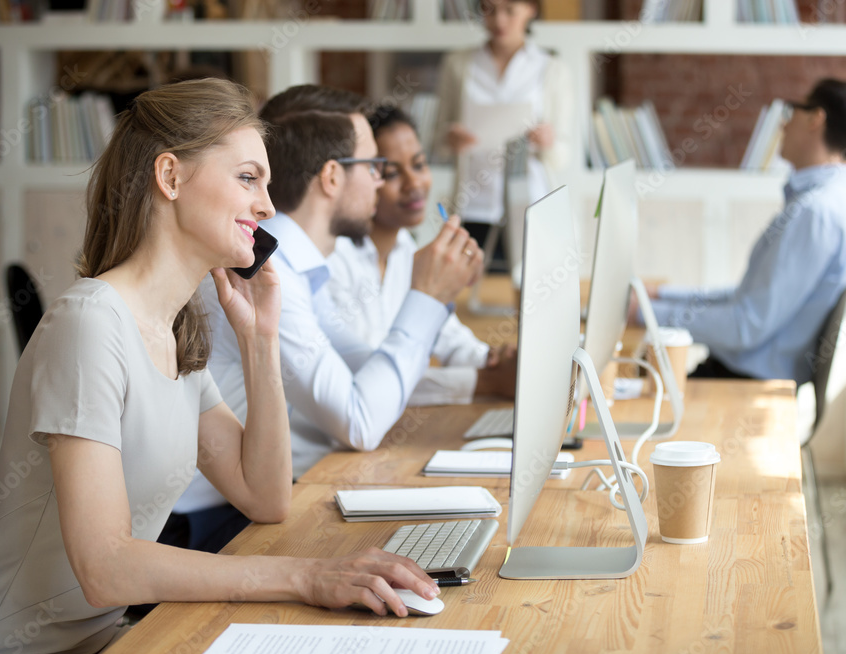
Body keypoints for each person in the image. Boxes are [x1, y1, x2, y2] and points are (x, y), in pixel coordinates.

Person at [0, 79, 438, 654]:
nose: (268, 207)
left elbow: (265, 496)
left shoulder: (174, 329)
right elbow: (106, 566)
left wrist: (260, 340)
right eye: (249, 179)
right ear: (169, 177)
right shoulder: (90, 326)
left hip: (106, 643)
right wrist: (303, 576)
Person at [175, 84, 483, 519]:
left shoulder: (303, 265)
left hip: (253, 501)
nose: (381, 179)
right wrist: (427, 297)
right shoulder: (263, 269)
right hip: (210, 521)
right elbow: (360, 421)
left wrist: (438, 309)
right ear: (333, 176)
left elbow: (364, 368)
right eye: (375, 165)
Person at [637, 78, 846, 385]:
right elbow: (744, 299)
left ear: (817, 119)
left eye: (793, 111)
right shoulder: (829, 205)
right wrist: (657, 297)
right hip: (742, 373)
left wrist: (644, 314)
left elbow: (745, 326)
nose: (783, 126)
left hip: (744, 382)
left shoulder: (816, 214)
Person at [327, 104, 517, 405]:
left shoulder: (406, 250)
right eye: (392, 174)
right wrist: (486, 381)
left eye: (419, 165)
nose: (414, 184)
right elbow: (371, 380)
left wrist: (493, 361)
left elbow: (448, 338)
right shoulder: (334, 261)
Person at [433, 0, 573, 254]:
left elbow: (562, 156)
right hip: (472, 203)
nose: (498, 21)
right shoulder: (457, 64)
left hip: (530, 202)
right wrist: (449, 138)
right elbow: (438, 139)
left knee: (528, 286)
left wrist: (548, 142)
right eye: (489, 9)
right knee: (470, 285)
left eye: (510, 10)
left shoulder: (552, 70)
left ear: (530, 9)